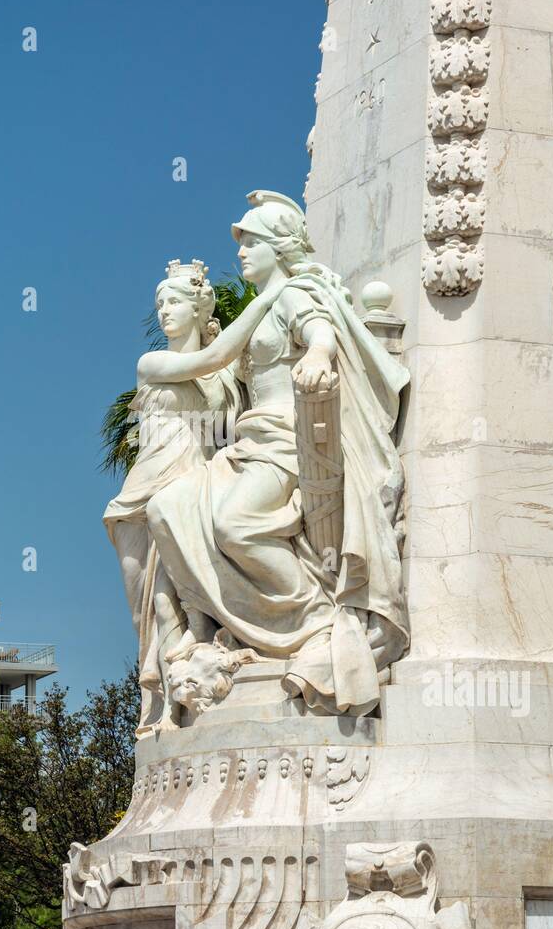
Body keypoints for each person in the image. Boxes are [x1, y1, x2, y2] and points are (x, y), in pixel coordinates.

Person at [144, 191, 410, 715]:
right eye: (241, 241)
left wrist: (316, 352)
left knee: (236, 523)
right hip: (249, 443)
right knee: (166, 508)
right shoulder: (263, 305)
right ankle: (242, 628)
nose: (241, 251)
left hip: (289, 440)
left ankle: (315, 620)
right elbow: (217, 359)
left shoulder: (295, 294)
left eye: (253, 241)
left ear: (279, 247)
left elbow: (320, 331)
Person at [103, 259, 288, 734]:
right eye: (159, 302)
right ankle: (158, 703)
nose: (164, 311)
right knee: (145, 614)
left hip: (195, 490)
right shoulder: (154, 363)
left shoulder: (225, 380)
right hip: (142, 497)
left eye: (174, 302)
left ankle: (177, 712)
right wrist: (269, 295)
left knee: (181, 607)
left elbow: (239, 401)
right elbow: (213, 357)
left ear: (197, 307)